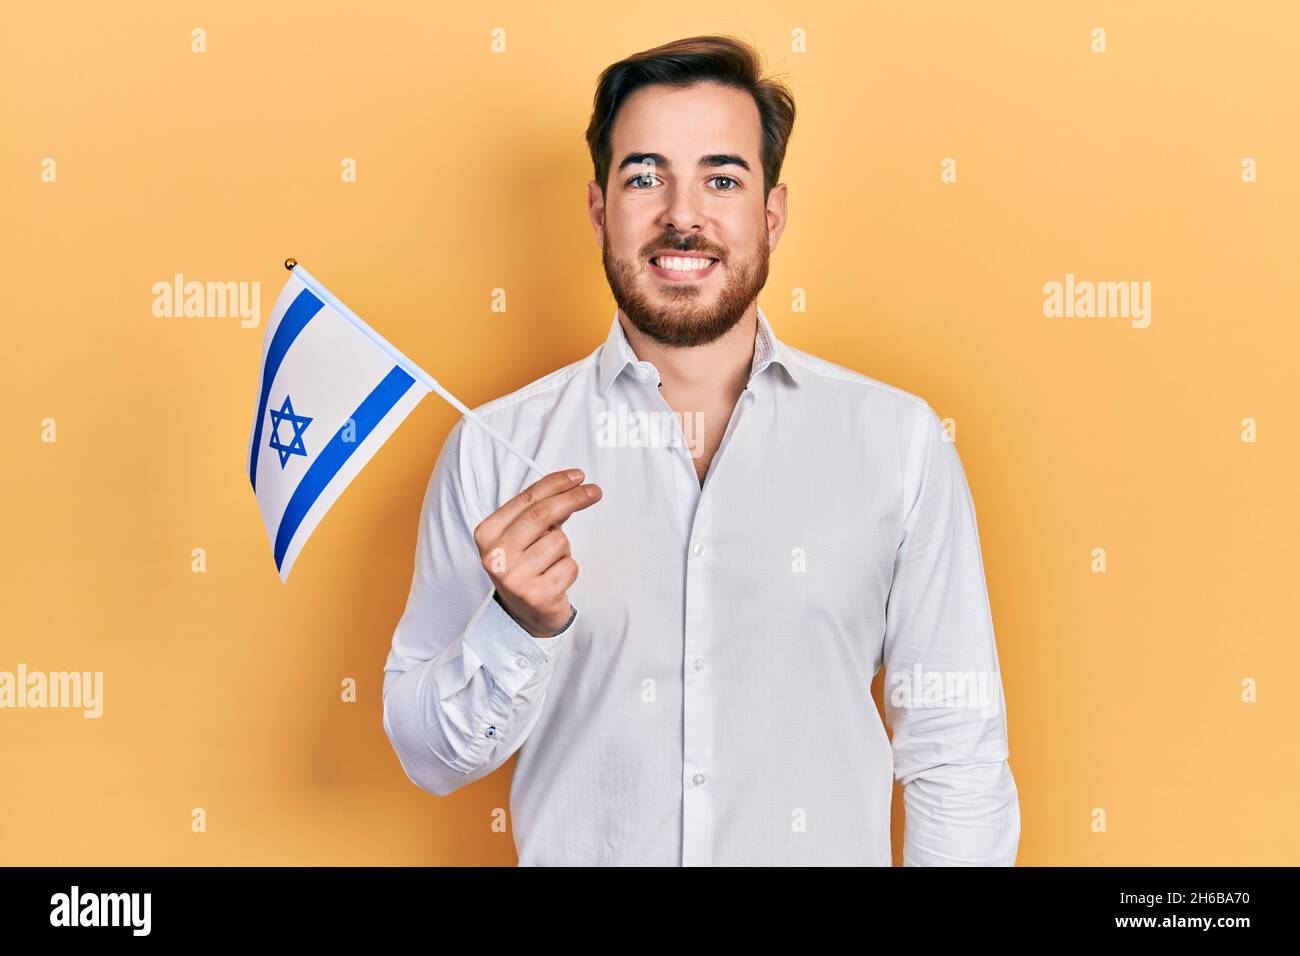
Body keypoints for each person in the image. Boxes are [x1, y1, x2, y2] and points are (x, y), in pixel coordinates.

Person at [381, 34, 1020, 866]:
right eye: (645, 176)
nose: (683, 214)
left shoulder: (897, 444)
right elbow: (426, 756)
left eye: (722, 178)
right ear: (599, 207)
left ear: (772, 214)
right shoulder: (497, 449)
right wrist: (515, 626)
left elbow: (956, 753)